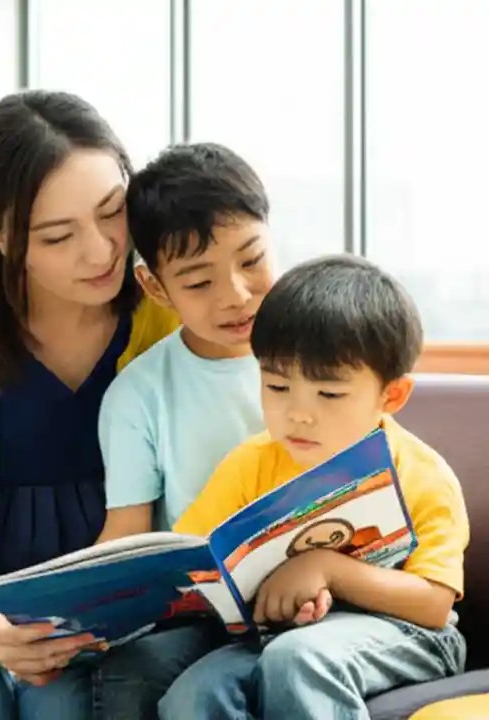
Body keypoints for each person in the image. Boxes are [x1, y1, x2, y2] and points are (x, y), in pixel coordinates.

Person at [0, 89, 198, 720]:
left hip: (112, 608)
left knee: (67, 707)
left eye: (113, 211)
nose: (102, 250)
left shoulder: (168, 318)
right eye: (57, 236)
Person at [160, 255, 469, 719]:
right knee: (194, 693)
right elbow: (191, 559)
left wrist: (326, 568)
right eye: (277, 387)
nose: (298, 414)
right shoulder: (252, 462)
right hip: (284, 632)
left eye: (328, 394)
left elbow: (432, 604)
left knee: (298, 658)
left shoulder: (422, 473)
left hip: (412, 635)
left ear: (392, 396)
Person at [96, 143, 275, 539]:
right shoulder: (139, 395)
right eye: (199, 283)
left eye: (251, 261)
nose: (236, 296)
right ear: (155, 287)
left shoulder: (324, 351)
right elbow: (126, 535)